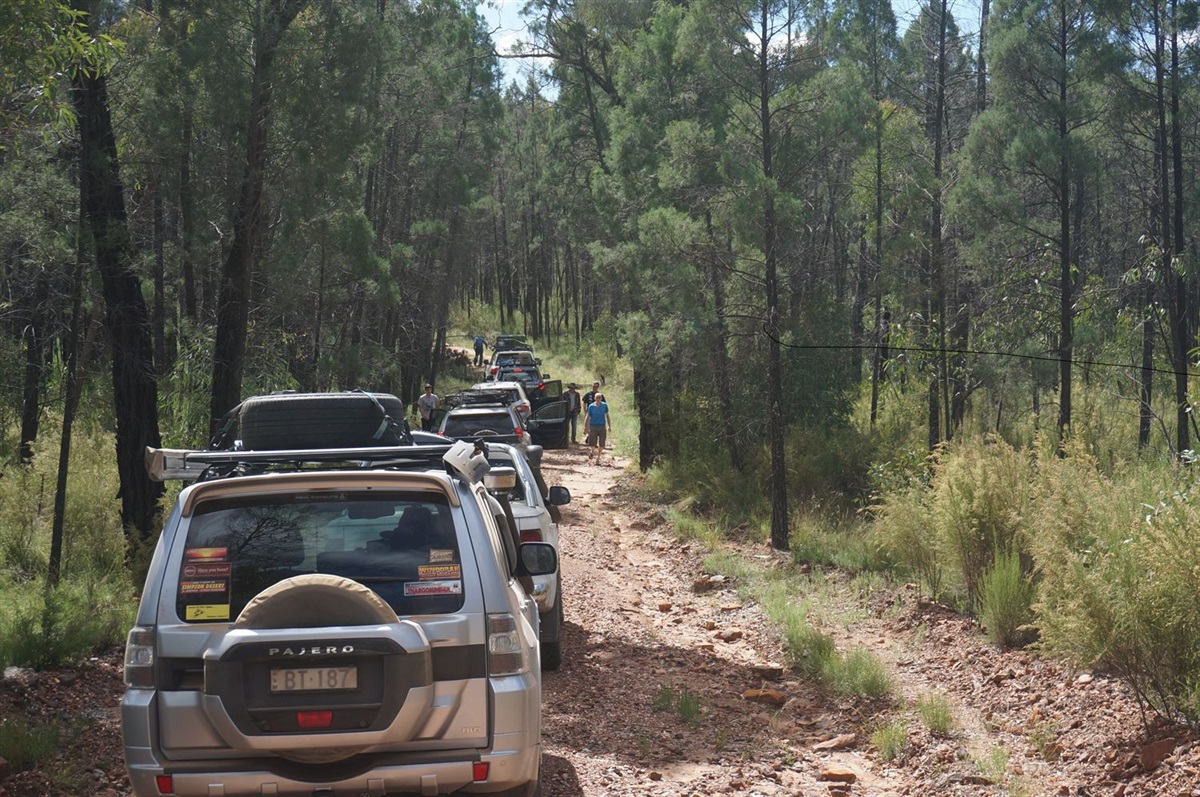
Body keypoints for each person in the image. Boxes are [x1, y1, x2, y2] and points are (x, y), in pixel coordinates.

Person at [583, 392, 610, 463]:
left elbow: (607, 416)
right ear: (594, 398)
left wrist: (609, 426)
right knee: (592, 443)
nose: (598, 399)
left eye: (599, 397)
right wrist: (586, 427)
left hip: (602, 426)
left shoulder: (604, 406)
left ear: (601, 398)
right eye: (597, 397)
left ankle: (598, 458)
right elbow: (588, 416)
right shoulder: (591, 406)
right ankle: (592, 451)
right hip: (593, 426)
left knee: (602, 443)